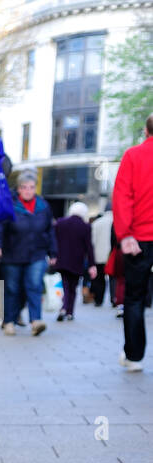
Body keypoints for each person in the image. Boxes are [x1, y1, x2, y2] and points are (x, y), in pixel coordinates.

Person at [0, 170, 55, 337]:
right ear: (18, 189)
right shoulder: (9, 205)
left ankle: (35, 321)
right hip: (12, 254)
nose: (28, 190)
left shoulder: (43, 206)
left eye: (31, 187)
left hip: (37, 253)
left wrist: (53, 252)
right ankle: (9, 321)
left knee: (35, 286)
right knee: (12, 288)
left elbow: (50, 230)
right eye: (24, 187)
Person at [112, 114, 153, 371]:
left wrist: (125, 234)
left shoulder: (133, 156)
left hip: (138, 238)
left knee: (135, 298)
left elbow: (123, 196)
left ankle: (134, 356)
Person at [53, 201, 96, 322]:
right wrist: (92, 264)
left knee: (66, 284)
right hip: (77, 261)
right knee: (73, 286)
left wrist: (53, 255)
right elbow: (89, 247)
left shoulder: (60, 223)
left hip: (62, 259)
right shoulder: (85, 226)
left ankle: (65, 308)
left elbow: (54, 240)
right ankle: (69, 311)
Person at [90, 205, 113, 309]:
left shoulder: (97, 223)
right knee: (114, 278)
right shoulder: (117, 221)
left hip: (99, 254)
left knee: (99, 278)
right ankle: (114, 299)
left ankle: (98, 299)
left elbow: (92, 241)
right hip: (112, 255)